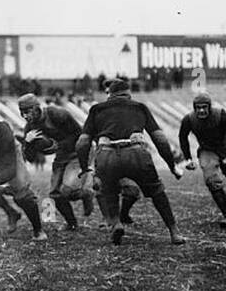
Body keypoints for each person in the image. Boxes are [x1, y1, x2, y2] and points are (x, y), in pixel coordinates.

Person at [77, 76, 186, 246]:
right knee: (157, 192)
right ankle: (174, 232)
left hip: (107, 155)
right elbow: (160, 139)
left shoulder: (96, 109)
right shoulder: (140, 107)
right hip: (135, 153)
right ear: (128, 94)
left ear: (110, 95)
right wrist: (172, 166)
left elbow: (82, 143)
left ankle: (116, 224)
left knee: (109, 191)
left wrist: (84, 168)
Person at [18, 93, 94, 231]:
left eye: (27, 111)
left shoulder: (56, 114)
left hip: (77, 152)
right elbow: (30, 158)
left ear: (36, 108)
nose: (25, 116)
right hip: (62, 155)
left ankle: (86, 193)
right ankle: (72, 223)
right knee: (55, 195)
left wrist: (58, 145)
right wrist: (27, 143)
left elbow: (80, 135)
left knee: (67, 190)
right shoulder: (30, 128)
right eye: (22, 113)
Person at [178, 92, 226, 227]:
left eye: (204, 107)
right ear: (194, 108)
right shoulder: (189, 119)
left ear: (209, 107)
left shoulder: (220, 115)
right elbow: (183, 137)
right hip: (207, 150)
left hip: (225, 148)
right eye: (198, 107)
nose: (201, 110)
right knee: (212, 180)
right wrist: (188, 158)